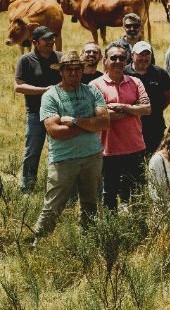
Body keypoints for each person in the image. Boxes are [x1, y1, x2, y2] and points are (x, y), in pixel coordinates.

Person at [32, 51, 110, 241]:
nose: (74, 73)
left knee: (91, 203)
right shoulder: (51, 95)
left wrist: (74, 122)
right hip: (63, 159)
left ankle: (88, 241)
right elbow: (55, 131)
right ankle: (39, 242)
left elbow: (105, 122)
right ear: (61, 72)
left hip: (92, 156)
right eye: (69, 70)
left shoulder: (92, 91)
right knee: (53, 205)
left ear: (82, 70)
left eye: (77, 69)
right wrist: (89, 126)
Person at [91, 45, 151, 210]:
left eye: (122, 58)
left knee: (137, 191)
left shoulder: (135, 81)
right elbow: (101, 117)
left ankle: (139, 225)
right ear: (104, 61)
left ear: (127, 61)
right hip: (108, 150)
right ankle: (112, 230)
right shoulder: (95, 86)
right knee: (109, 193)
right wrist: (132, 110)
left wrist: (121, 107)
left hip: (135, 146)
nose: (118, 62)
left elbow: (147, 109)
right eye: (113, 58)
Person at [15, 26, 62, 193]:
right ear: (35, 42)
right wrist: (44, 91)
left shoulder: (60, 57)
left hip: (59, 113)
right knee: (32, 151)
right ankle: (27, 188)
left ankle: (56, 186)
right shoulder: (26, 60)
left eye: (52, 38)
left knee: (58, 151)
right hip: (36, 113)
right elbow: (18, 87)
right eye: (46, 39)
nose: (51, 42)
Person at [126, 40, 170, 156]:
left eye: (147, 54)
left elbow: (168, 97)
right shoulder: (124, 73)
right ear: (132, 55)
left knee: (155, 156)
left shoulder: (160, 73)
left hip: (155, 124)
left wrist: (155, 110)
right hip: (129, 124)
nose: (144, 58)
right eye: (140, 54)